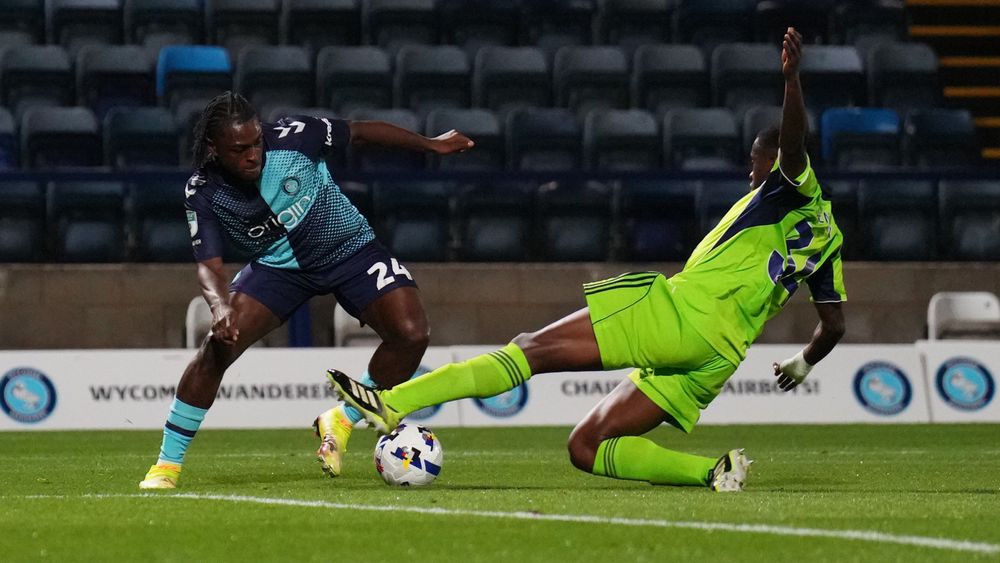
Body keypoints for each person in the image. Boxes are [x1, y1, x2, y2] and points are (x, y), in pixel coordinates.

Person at [328, 28, 846, 492]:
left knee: (530, 349)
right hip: (719, 357)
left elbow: (794, 149)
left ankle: (391, 402)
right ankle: (713, 473)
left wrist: (792, 81)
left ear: (773, 165)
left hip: (684, 315)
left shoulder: (788, 187)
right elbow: (833, 324)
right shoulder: (830, 239)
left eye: (755, 168)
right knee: (587, 447)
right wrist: (802, 363)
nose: (750, 178)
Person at [139, 91, 474, 489]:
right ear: (214, 149)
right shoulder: (204, 190)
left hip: (350, 249)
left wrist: (429, 144)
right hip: (281, 268)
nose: (252, 155)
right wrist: (219, 307)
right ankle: (167, 465)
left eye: (256, 143)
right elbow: (209, 267)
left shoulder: (296, 136)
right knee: (218, 346)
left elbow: (361, 132)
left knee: (412, 333)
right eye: (239, 149)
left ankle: (343, 418)